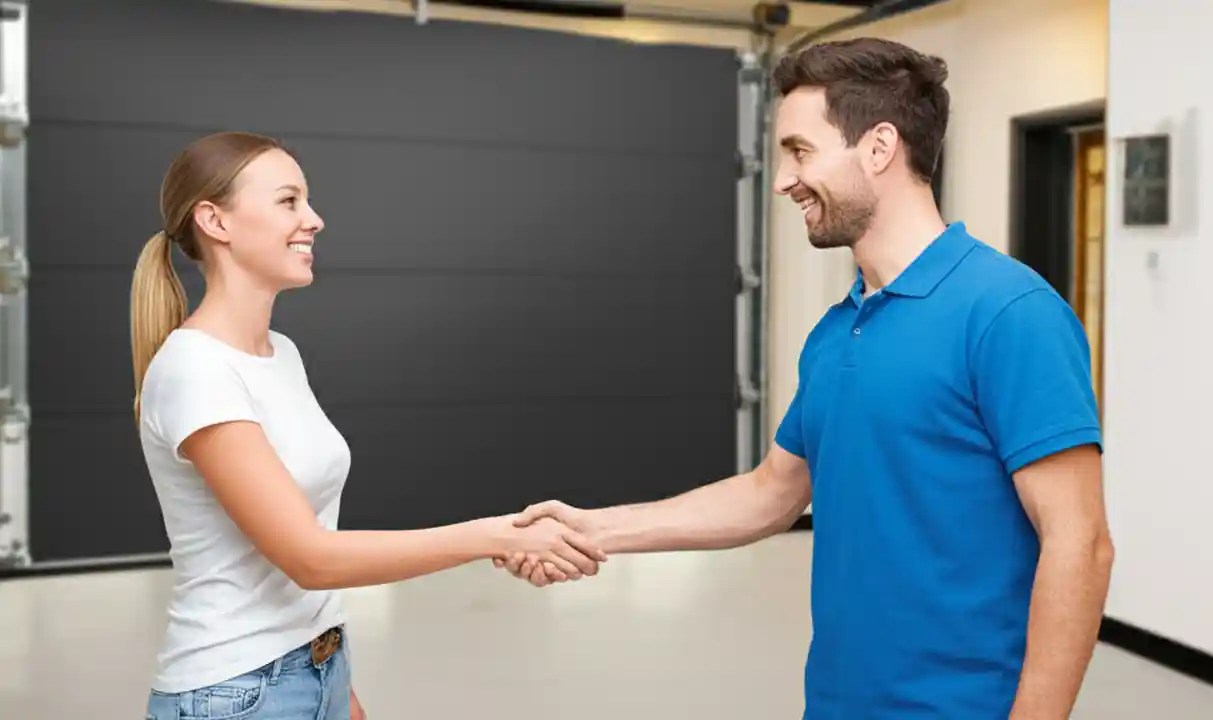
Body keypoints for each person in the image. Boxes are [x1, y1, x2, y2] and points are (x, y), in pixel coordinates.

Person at [497, 38, 1115, 720]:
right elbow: (771, 495)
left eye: (800, 151)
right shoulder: (837, 330)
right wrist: (590, 530)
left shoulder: (1008, 313)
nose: (785, 179)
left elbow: (1079, 544)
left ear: (878, 148)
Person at [131, 131, 607, 720]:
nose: (315, 219)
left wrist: (336, 685)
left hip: (317, 667)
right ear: (215, 221)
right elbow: (310, 557)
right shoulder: (195, 370)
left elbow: (307, 560)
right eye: (289, 201)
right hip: (236, 691)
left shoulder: (281, 353)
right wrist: (499, 536)